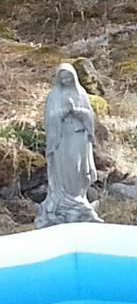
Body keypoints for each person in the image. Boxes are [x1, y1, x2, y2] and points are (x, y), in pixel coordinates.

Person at [35, 63, 102, 228]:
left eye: (68, 77)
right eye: (62, 78)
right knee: (64, 169)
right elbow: (49, 118)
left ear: (74, 77)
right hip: (62, 139)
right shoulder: (54, 95)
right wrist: (62, 113)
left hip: (78, 137)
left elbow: (90, 116)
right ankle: (62, 202)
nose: (65, 80)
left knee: (78, 169)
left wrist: (81, 113)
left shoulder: (81, 94)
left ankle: (78, 200)